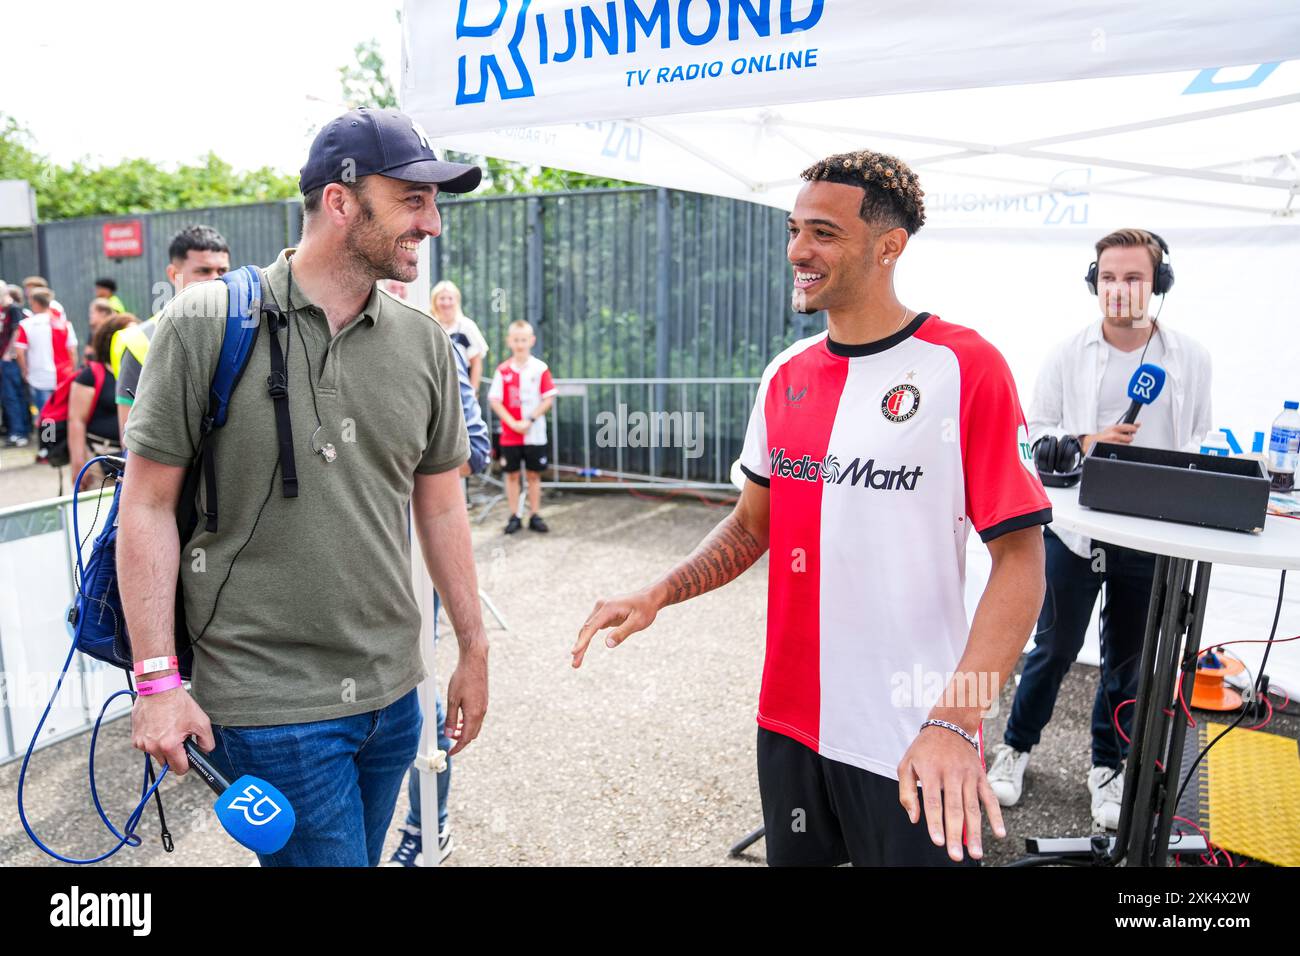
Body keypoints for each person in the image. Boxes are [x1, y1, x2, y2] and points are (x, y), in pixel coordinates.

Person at [573, 149, 1052, 867]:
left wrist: (958, 718)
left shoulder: (964, 366)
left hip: (915, 733)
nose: (798, 250)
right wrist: (659, 591)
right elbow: (751, 526)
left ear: (889, 246)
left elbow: (1021, 566)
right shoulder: (785, 375)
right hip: (792, 726)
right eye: (795, 230)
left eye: (824, 232)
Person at [118, 106, 489, 867]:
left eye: (435, 203)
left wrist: (474, 646)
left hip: (393, 695)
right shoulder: (203, 323)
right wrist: (156, 681)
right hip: (269, 702)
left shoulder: (424, 343)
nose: (434, 224)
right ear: (341, 201)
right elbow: (147, 504)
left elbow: (442, 502)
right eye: (414, 200)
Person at [988, 228, 1213, 830]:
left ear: (1157, 283)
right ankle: (1015, 748)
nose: (1120, 288)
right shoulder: (1066, 354)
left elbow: (1197, 440)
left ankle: (1106, 767)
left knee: (1127, 662)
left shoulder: (1189, 358)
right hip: (1074, 532)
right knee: (1054, 648)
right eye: (1109, 277)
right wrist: (1089, 443)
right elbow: (1036, 441)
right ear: (1095, 283)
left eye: (1134, 277)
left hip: (1150, 536)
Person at [387, 337, 492, 867]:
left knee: (416, 694)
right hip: (308, 580)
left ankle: (428, 826)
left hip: (402, 566)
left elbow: (473, 452)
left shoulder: (427, 343)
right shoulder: (279, 326)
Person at [112, 225, 231, 436]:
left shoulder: (244, 329)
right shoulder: (141, 341)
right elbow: (130, 438)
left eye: (222, 271)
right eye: (203, 271)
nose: (216, 279)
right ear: (174, 274)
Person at [488, 319, 556, 534]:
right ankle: (515, 515)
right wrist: (512, 423)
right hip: (510, 434)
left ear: (531, 341)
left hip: (534, 433)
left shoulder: (540, 368)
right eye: (516, 339)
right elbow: (495, 400)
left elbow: (548, 399)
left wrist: (530, 420)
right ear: (510, 341)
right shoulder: (503, 370)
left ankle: (535, 514)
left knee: (534, 475)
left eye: (524, 340)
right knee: (512, 475)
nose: (520, 344)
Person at [68, 314, 137, 489]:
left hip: (132, 458)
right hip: (100, 459)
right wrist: (78, 462)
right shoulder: (90, 375)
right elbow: (76, 420)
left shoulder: (137, 372)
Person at [14, 287, 77, 418]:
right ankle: (62, 438)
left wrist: (24, 370)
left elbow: (19, 352)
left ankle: (49, 438)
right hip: (63, 375)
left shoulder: (26, 324)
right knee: (64, 413)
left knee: (46, 416)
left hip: (39, 376)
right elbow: (72, 350)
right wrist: (72, 370)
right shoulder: (65, 324)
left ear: (35, 303)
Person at [431, 279, 489, 392]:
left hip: (461, 390)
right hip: (437, 388)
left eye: (450, 298)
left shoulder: (466, 326)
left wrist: (473, 392)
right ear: (435, 301)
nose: (446, 302)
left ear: (456, 301)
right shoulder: (431, 325)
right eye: (442, 298)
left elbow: (476, 363)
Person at [1, 284, 30, 446]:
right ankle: (19, 431)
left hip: (12, 362)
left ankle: (20, 433)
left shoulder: (13, 310)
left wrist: (7, 354)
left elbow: (17, 332)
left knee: (14, 397)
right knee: (13, 397)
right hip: (11, 362)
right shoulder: (6, 310)